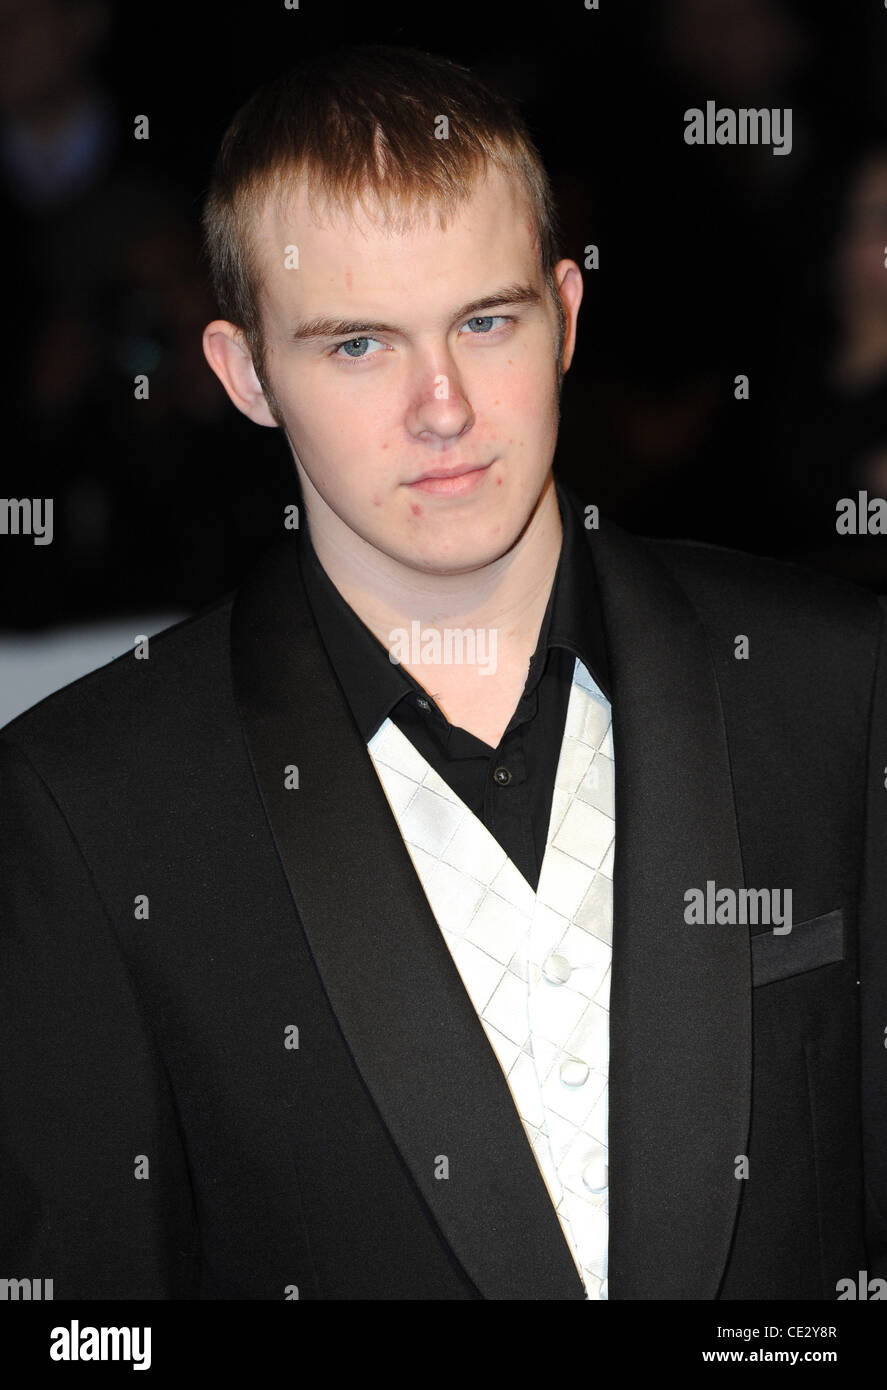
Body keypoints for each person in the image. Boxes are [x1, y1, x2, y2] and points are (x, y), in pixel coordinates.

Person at [1, 42, 886, 1301]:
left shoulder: (833, 681)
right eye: (357, 344)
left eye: (484, 320)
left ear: (565, 317)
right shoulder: (84, 805)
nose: (443, 405)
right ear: (245, 375)